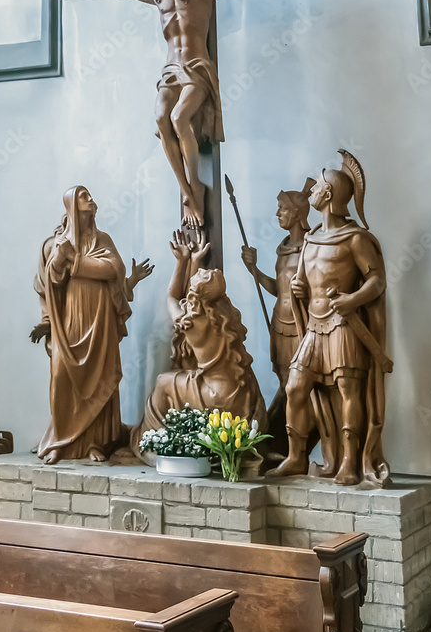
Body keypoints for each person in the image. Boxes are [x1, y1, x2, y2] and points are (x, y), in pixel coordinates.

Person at [65, 0, 319, 229]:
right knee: (161, 118)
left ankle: (195, 183)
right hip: (171, 71)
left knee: (179, 117)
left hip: (197, 68)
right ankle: (186, 190)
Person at [268, 152, 391, 486]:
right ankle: (296, 457)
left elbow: (376, 280)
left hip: (344, 327)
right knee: (295, 387)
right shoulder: (310, 239)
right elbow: (307, 283)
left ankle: (351, 462)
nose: (314, 188)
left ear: (329, 195)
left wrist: (352, 299)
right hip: (314, 326)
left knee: (348, 391)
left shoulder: (355, 239)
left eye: (319, 184)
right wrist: (299, 289)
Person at [30, 186, 153, 464]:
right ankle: (61, 442)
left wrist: (75, 260)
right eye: (84, 195)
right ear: (71, 204)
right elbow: (46, 286)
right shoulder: (53, 244)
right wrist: (47, 322)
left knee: (100, 381)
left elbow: (113, 270)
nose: (91, 199)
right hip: (71, 323)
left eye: (90, 195)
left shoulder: (102, 240)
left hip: (100, 322)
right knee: (62, 378)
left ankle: (97, 442)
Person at [131, 229, 267, 460]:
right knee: (181, 377)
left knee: (164, 382)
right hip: (240, 391)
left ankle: (150, 444)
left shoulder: (190, 322)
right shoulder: (225, 316)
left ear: (194, 297)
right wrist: (193, 261)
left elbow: (172, 298)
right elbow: (187, 298)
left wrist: (182, 261)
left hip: (214, 396)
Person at [241, 181, 315, 455]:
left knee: (302, 387)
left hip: (302, 326)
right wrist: (254, 270)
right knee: (285, 385)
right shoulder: (283, 247)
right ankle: (283, 445)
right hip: (280, 325)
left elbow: (319, 291)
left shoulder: (313, 246)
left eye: (282, 209)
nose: (278, 214)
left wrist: (305, 292)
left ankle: (300, 447)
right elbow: (279, 290)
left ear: (297, 213)